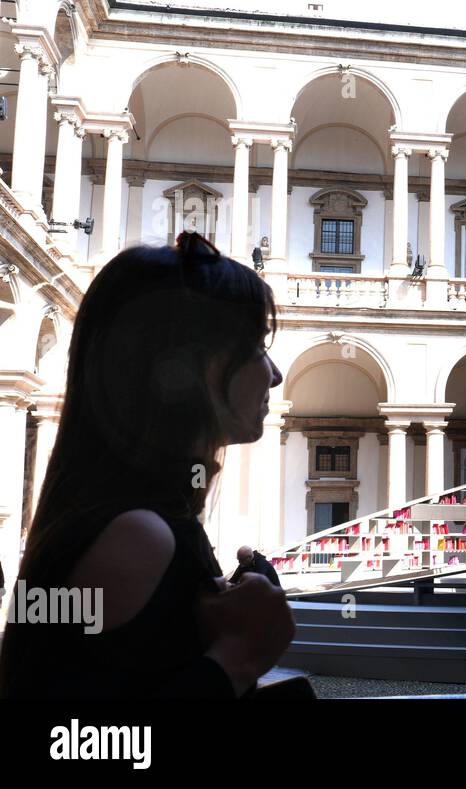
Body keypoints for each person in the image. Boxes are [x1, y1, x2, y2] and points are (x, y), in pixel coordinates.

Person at [0, 232, 296, 699]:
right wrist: (235, 658)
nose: (274, 373)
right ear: (195, 366)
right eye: (257, 345)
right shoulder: (139, 534)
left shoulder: (128, 514)